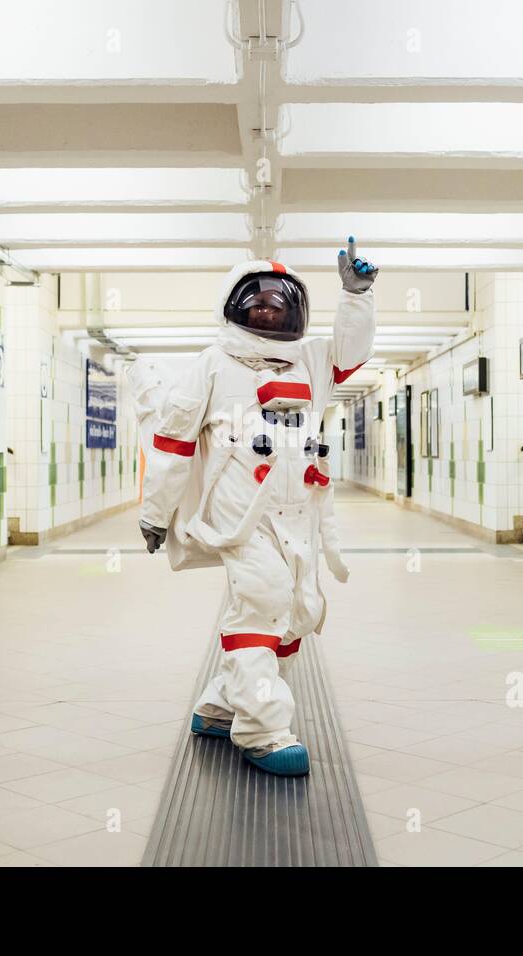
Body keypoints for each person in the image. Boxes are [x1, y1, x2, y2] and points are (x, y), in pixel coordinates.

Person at [132, 238, 377, 776]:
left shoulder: (310, 361)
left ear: (296, 313)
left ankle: (220, 707)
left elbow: (351, 351)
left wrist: (356, 296)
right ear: (233, 306)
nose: (269, 310)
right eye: (258, 302)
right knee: (264, 604)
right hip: (241, 519)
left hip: (299, 517)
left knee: (297, 613)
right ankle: (263, 730)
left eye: (280, 303)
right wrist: (155, 512)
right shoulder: (212, 366)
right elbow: (172, 445)